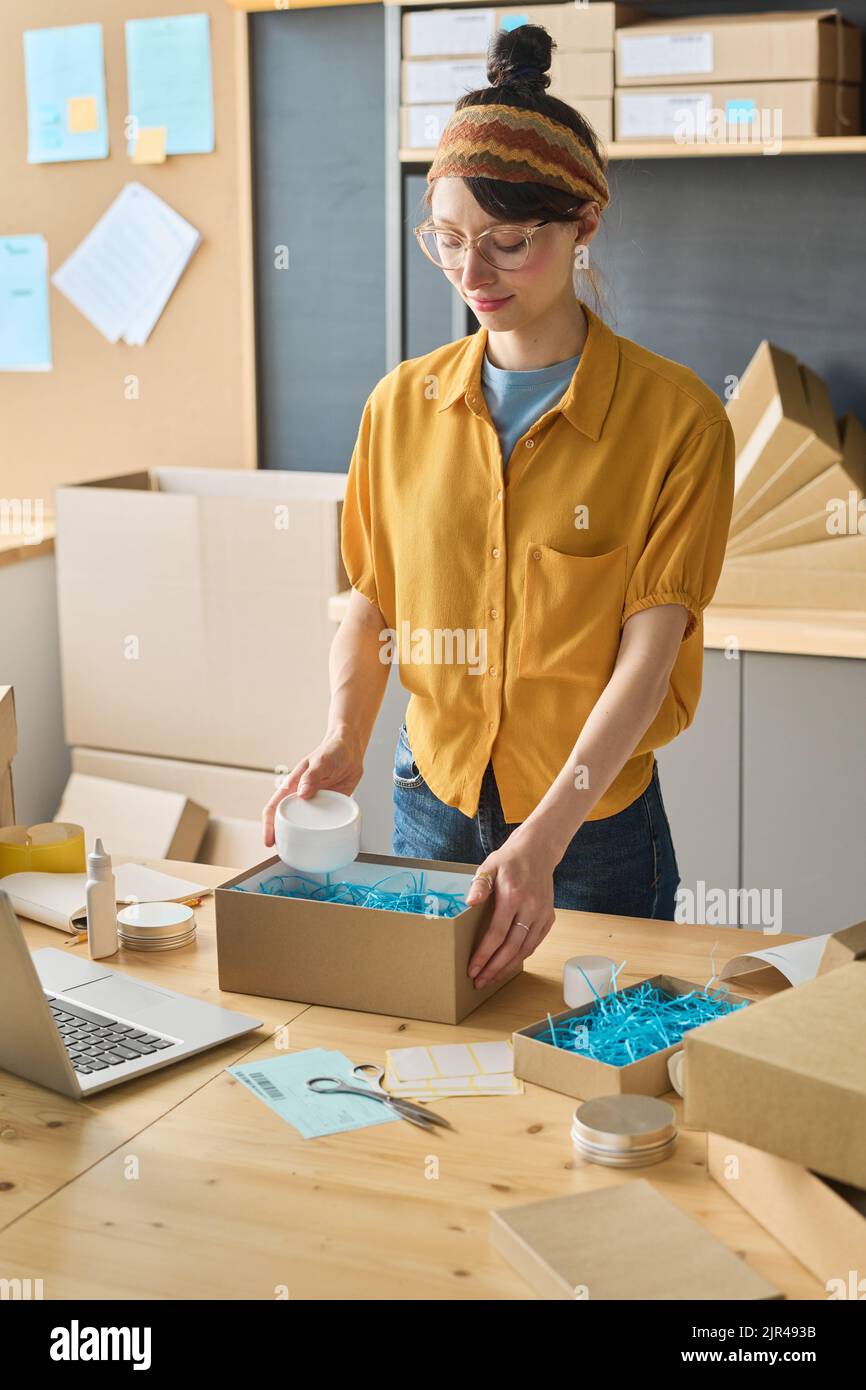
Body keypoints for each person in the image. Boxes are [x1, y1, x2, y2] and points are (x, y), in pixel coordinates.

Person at [263, 23, 735, 990]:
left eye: (509, 244)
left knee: (588, 1075)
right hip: (427, 799)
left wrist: (546, 836)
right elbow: (370, 603)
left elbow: (649, 660)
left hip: (592, 827)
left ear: (583, 222)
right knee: (432, 1049)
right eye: (447, 239)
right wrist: (344, 741)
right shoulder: (399, 404)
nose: (473, 276)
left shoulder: (677, 420)